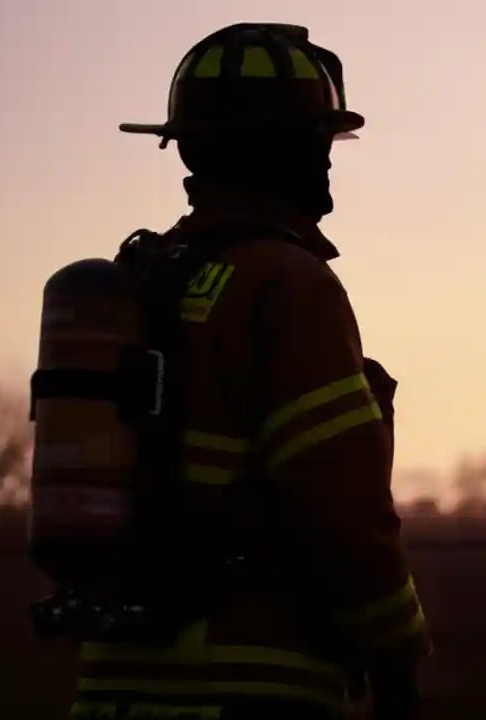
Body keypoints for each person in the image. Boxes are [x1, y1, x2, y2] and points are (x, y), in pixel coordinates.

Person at [66, 22, 432, 719]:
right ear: (282, 149)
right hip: (253, 683)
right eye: (316, 139)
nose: (327, 161)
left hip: (112, 685)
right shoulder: (286, 282)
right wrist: (398, 655)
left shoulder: (131, 284)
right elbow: (343, 511)